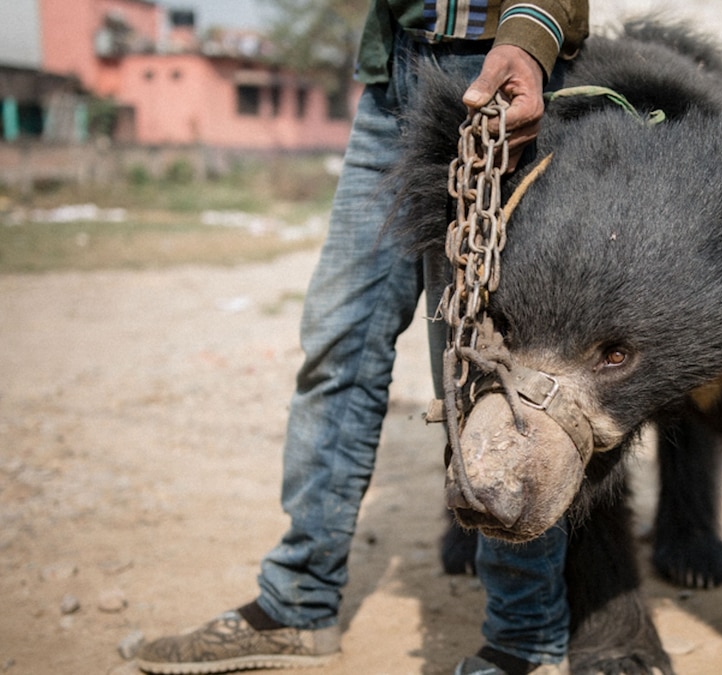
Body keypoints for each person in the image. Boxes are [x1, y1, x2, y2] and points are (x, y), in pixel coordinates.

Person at [134, 1, 588, 674]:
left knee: (484, 366)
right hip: (394, 78)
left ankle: (526, 636)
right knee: (338, 337)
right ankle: (297, 602)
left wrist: (529, 36)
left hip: (493, 68)